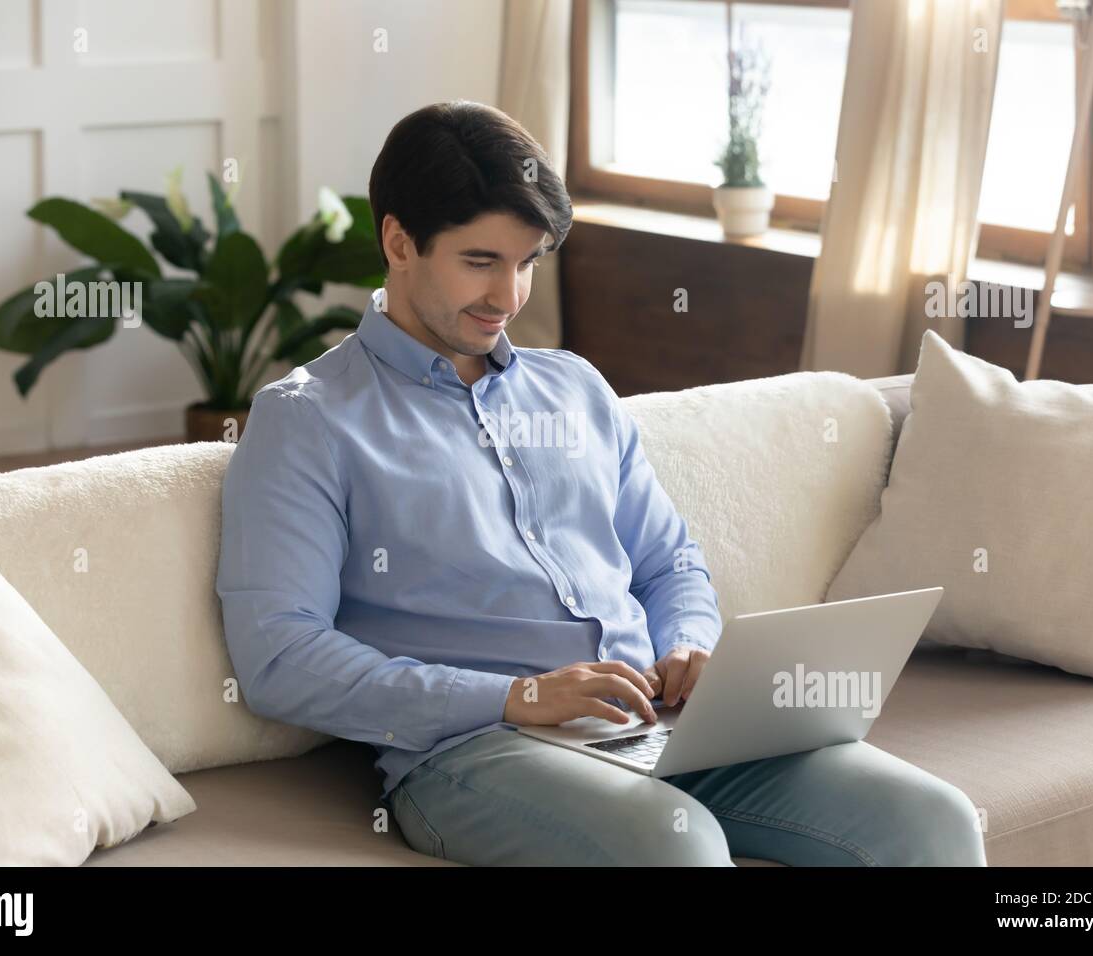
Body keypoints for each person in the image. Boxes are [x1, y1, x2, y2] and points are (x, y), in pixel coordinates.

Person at [215, 100, 986, 867]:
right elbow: (279, 657)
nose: (508, 298)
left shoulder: (575, 389)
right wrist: (516, 697)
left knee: (932, 820)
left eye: (528, 263)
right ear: (398, 240)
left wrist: (689, 646)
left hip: (663, 725)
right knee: (673, 843)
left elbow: (668, 563)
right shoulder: (308, 420)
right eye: (480, 261)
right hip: (477, 750)